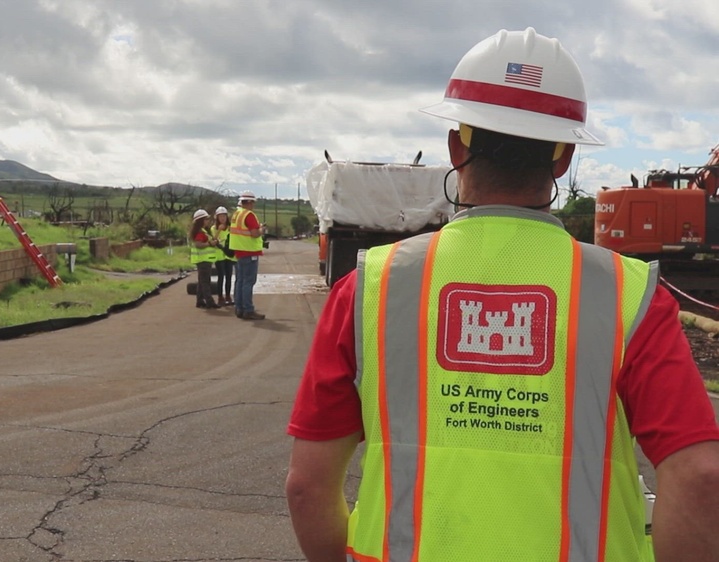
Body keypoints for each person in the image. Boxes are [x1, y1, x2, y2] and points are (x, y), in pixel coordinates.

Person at [285, 28, 719, 562]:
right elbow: (700, 478)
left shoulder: (371, 285)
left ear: (455, 146)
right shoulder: (630, 296)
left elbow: (307, 487)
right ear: (563, 160)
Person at [229, 191, 265, 320]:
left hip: (239, 252)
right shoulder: (249, 215)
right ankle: (248, 310)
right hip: (249, 252)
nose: (253, 205)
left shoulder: (236, 214)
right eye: (253, 202)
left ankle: (239, 308)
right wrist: (262, 230)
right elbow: (254, 233)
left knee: (240, 281)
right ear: (249, 202)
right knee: (248, 282)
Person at [189, 208, 220, 309]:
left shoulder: (202, 231)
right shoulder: (200, 232)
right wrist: (210, 243)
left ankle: (200, 300)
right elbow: (199, 245)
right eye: (206, 219)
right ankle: (209, 302)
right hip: (203, 260)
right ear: (200, 220)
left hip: (203, 260)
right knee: (206, 282)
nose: (207, 221)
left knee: (202, 281)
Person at [211, 206, 236, 306]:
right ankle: (220, 297)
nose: (222, 218)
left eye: (224, 216)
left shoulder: (230, 228)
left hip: (228, 255)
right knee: (221, 276)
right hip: (219, 255)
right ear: (217, 218)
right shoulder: (214, 228)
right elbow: (213, 240)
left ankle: (228, 296)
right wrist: (219, 231)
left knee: (229, 276)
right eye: (220, 216)